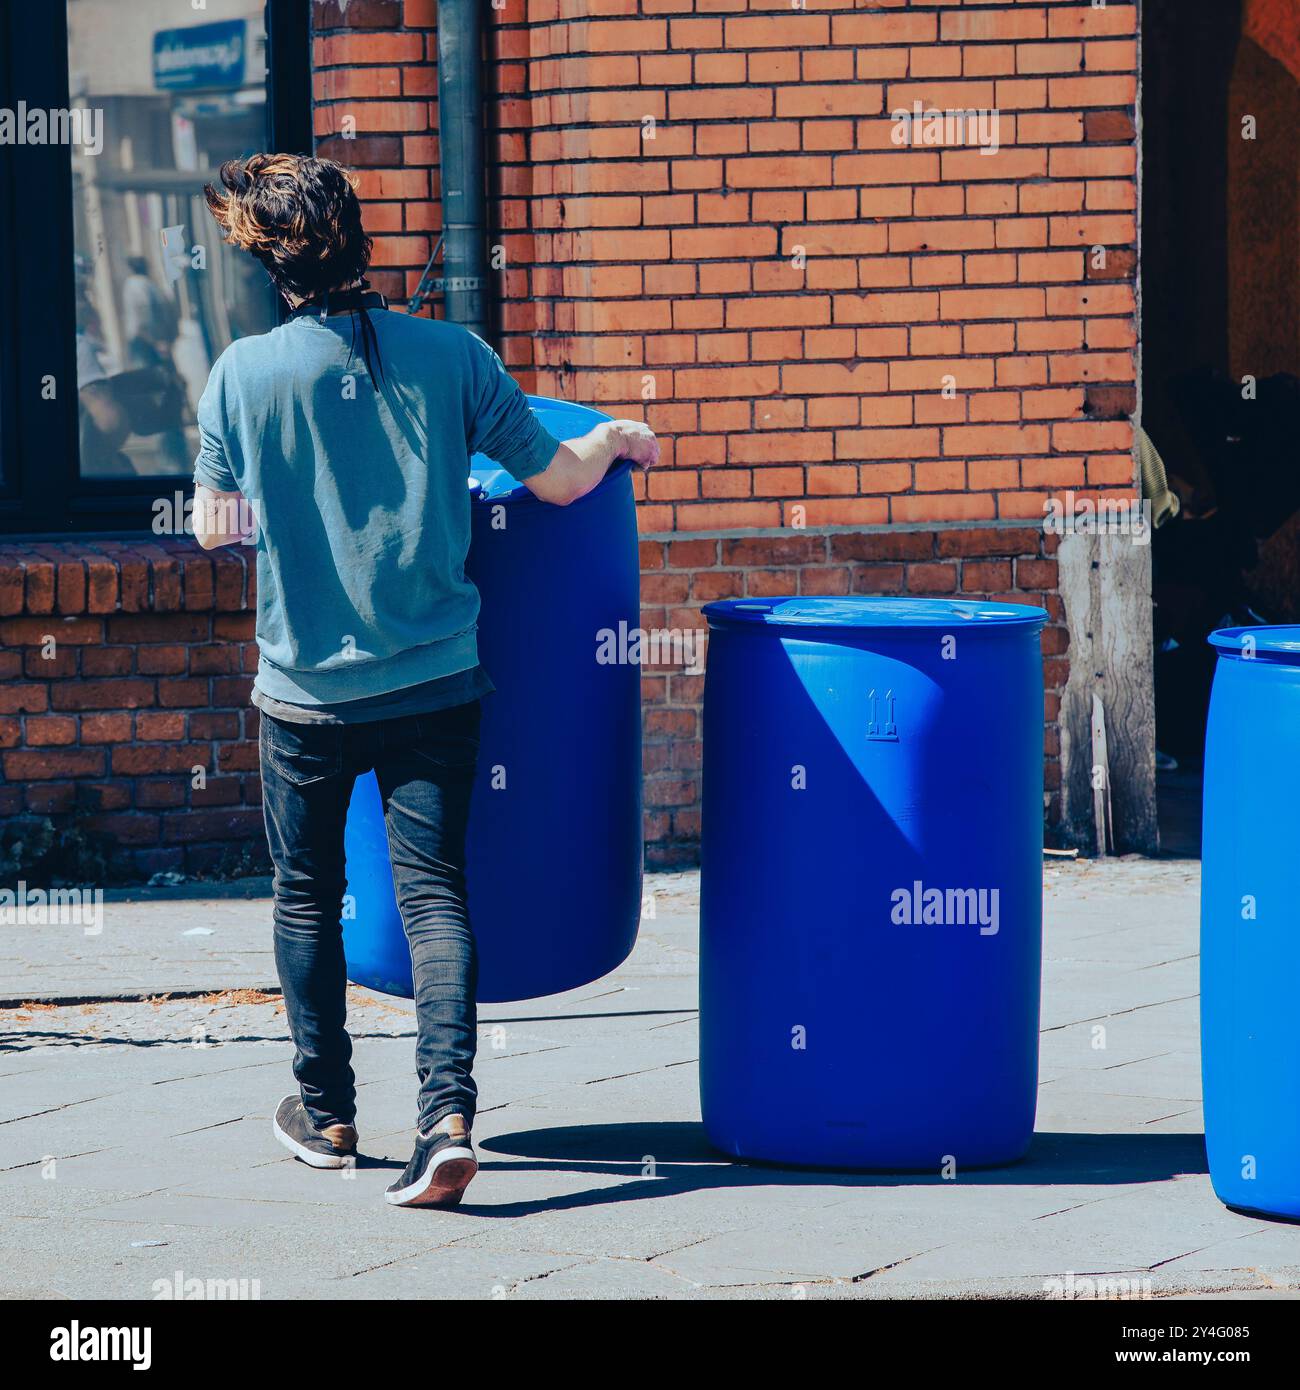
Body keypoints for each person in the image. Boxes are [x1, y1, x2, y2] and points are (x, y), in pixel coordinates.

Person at [192, 153, 659, 1208]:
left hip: (304, 696)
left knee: (306, 897)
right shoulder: (454, 355)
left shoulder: (241, 374)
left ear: (273, 264)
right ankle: (446, 1118)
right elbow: (557, 478)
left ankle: (327, 1112)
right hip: (438, 683)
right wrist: (613, 437)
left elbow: (220, 530)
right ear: (358, 240)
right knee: (436, 896)